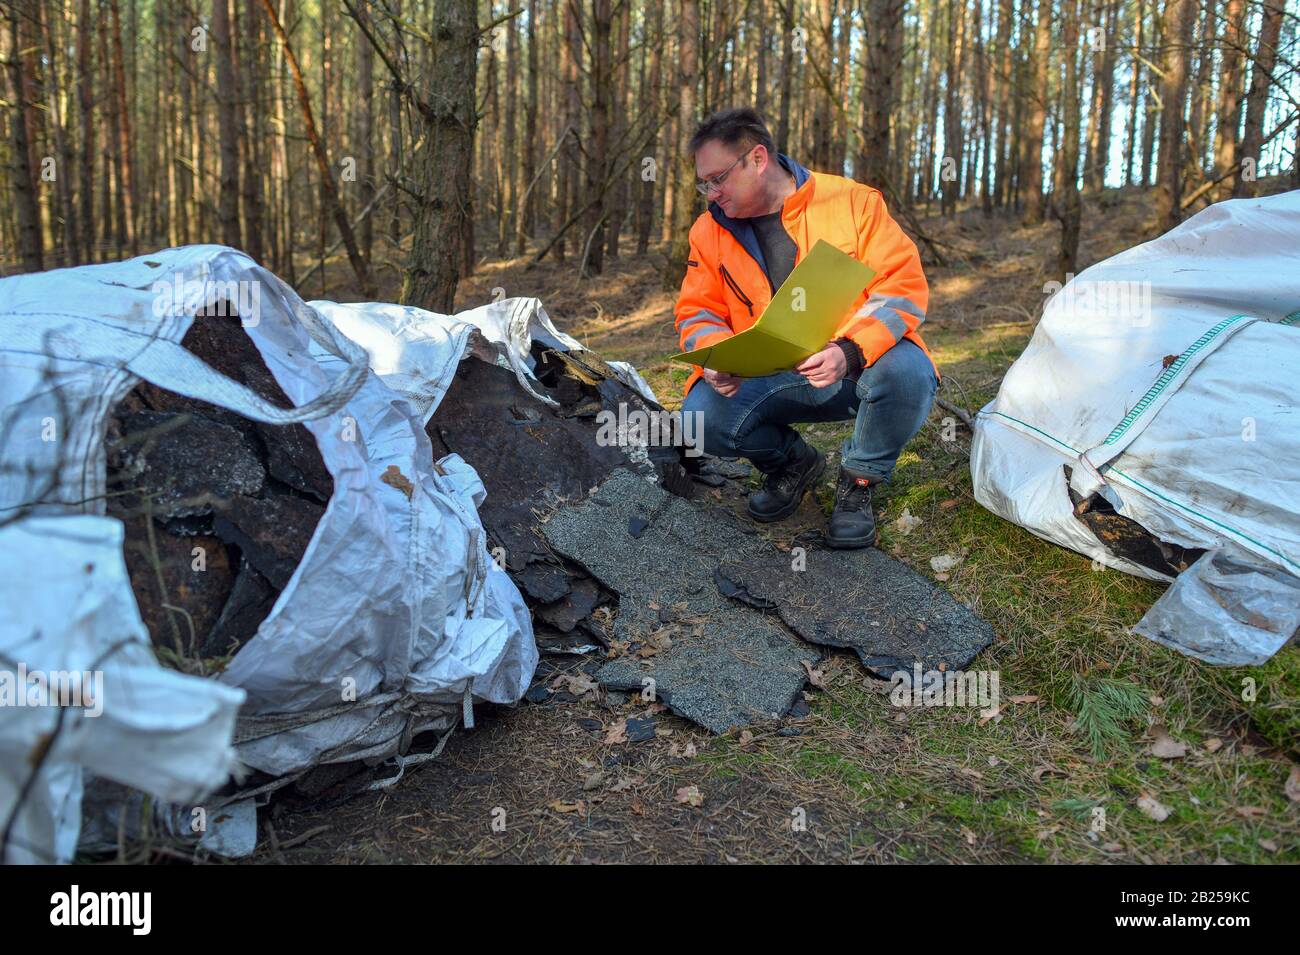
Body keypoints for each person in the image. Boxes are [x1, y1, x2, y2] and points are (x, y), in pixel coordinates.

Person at [675, 107, 939, 548]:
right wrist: (717, 357)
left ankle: (859, 482)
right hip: (768, 375)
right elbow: (697, 311)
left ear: (757, 159)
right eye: (704, 182)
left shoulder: (852, 201)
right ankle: (793, 464)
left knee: (907, 374)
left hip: (855, 368)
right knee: (700, 421)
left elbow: (903, 288)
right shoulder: (709, 230)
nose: (711, 192)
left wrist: (850, 349)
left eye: (718, 178)